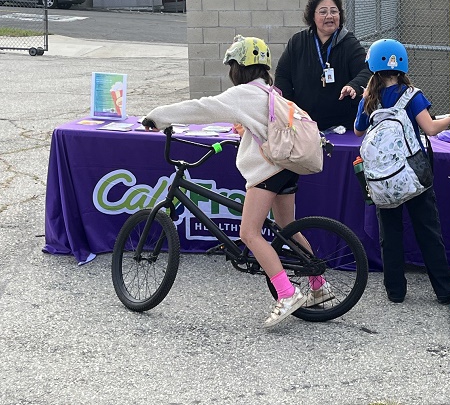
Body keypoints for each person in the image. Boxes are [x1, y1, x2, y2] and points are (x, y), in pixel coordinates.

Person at [142, 35, 332, 328]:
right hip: (286, 167)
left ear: (238, 67)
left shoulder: (242, 94)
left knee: (249, 233)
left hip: (268, 171)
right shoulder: (271, 92)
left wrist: (158, 117)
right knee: (287, 229)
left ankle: (287, 292)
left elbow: (200, 108)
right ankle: (319, 286)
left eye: (232, 65)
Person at [353, 38, 450, 305]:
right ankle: (442, 290)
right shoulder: (412, 94)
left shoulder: (369, 98)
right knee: (427, 230)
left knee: (389, 235)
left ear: (372, 65)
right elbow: (431, 129)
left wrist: (365, 104)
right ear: (402, 64)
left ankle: (395, 291)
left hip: (383, 179)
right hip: (413, 174)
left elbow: (359, 131)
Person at [274, 0, 371, 131]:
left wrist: (354, 85)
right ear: (312, 16)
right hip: (304, 124)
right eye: (323, 12)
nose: (329, 16)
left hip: (343, 126)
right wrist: (289, 108)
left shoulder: (349, 43)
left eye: (334, 11)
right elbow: (282, 75)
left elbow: (366, 70)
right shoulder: (297, 42)